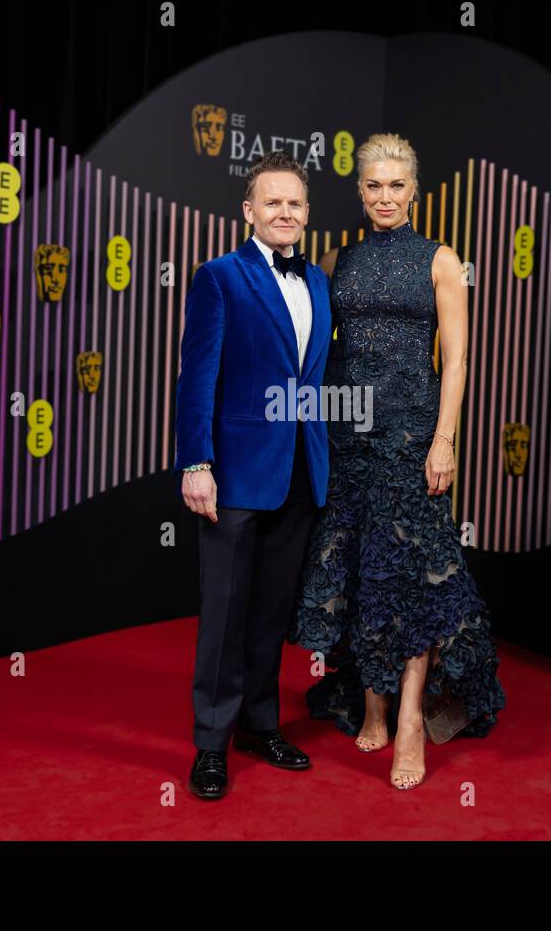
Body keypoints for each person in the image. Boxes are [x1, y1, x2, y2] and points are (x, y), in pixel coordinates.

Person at [290, 133, 505, 790]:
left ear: (415, 192)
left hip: (411, 439)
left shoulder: (442, 260)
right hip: (350, 436)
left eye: (397, 186)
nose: (385, 197)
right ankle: (373, 703)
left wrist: (445, 439)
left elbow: (458, 359)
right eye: (374, 186)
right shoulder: (334, 260)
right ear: (361, 193)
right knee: (360, 569)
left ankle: (410, 716)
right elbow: (310, 347)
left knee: (412, 580)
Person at [173, 151, 333, 800]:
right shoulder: (219, 277)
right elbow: (196, 378)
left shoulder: (318, 281)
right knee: (225, 614)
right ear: (248, 211)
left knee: (270, 612)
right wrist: (195, 462)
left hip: (300, 470)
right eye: (273, 203)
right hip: (234, 471)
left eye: (295, 203)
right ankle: (211, 743)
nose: (285, 213)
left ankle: (259, 725)